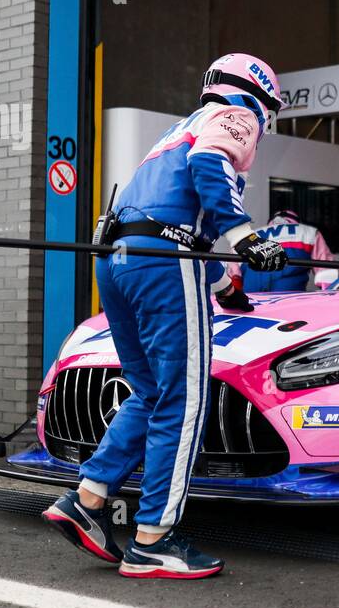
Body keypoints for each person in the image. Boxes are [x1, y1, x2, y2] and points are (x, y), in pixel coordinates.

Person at [42, 53, 288, 579]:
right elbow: (208, 171)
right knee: (183, 398)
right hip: (164, 259)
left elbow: (170, 210)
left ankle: (87, 498)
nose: (264, 121)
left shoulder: (175, 132)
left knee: (150, 392)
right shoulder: (237, 112)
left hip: (119, 258)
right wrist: (245, 236)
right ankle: (154, 537)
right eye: (270, 108)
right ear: (259, 95)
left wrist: (225, 288)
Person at [243, 209, 337, 292]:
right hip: (288, 299)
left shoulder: (248, 237)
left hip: (252, 298)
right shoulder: (308, 232)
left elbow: (233, 273)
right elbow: (325, 270)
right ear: (297, 222)